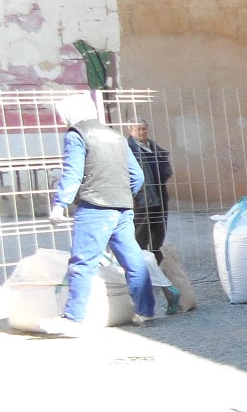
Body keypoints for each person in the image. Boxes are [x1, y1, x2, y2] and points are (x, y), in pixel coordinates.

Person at [37, 97, 157, 337]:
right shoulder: (117, 137)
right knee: (133, 259)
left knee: (82, 263)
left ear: (71, 114)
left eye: (62, 116)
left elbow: (73, 172)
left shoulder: (77, 135)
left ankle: (74, 319)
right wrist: (123, 196)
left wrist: (60, 204)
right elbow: (138, 177)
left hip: (94, 207)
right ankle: (146, 311)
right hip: (122, 207)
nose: (62, 121)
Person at [126, 120, 173, 258]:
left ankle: (157, 266)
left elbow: (166, 168)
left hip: (159, 196)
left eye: (144, 129)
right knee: (141, 235)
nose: (142, 132)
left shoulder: (154, 147)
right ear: (130, 131)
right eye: (138, 129)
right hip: (141, 198)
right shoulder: (128, 149)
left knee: (158, 234)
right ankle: (142, 265)